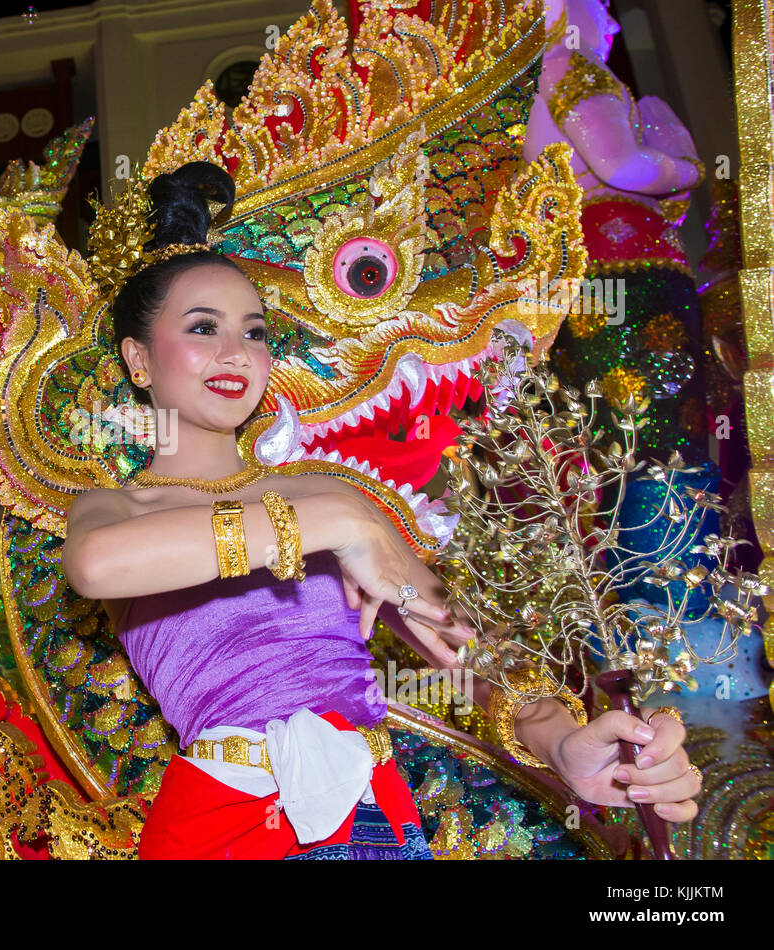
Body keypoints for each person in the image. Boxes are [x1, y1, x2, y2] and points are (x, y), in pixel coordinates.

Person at [60, 161, 703, 860]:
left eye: (255, 331)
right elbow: (97, 566)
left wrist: (562, 740)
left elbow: (468, 652)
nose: (237, 354)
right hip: (222, 822)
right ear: (139, 358)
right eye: (204, 327)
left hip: (373, 819)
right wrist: (342, 525)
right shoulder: (119, 507)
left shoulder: (330, 495)